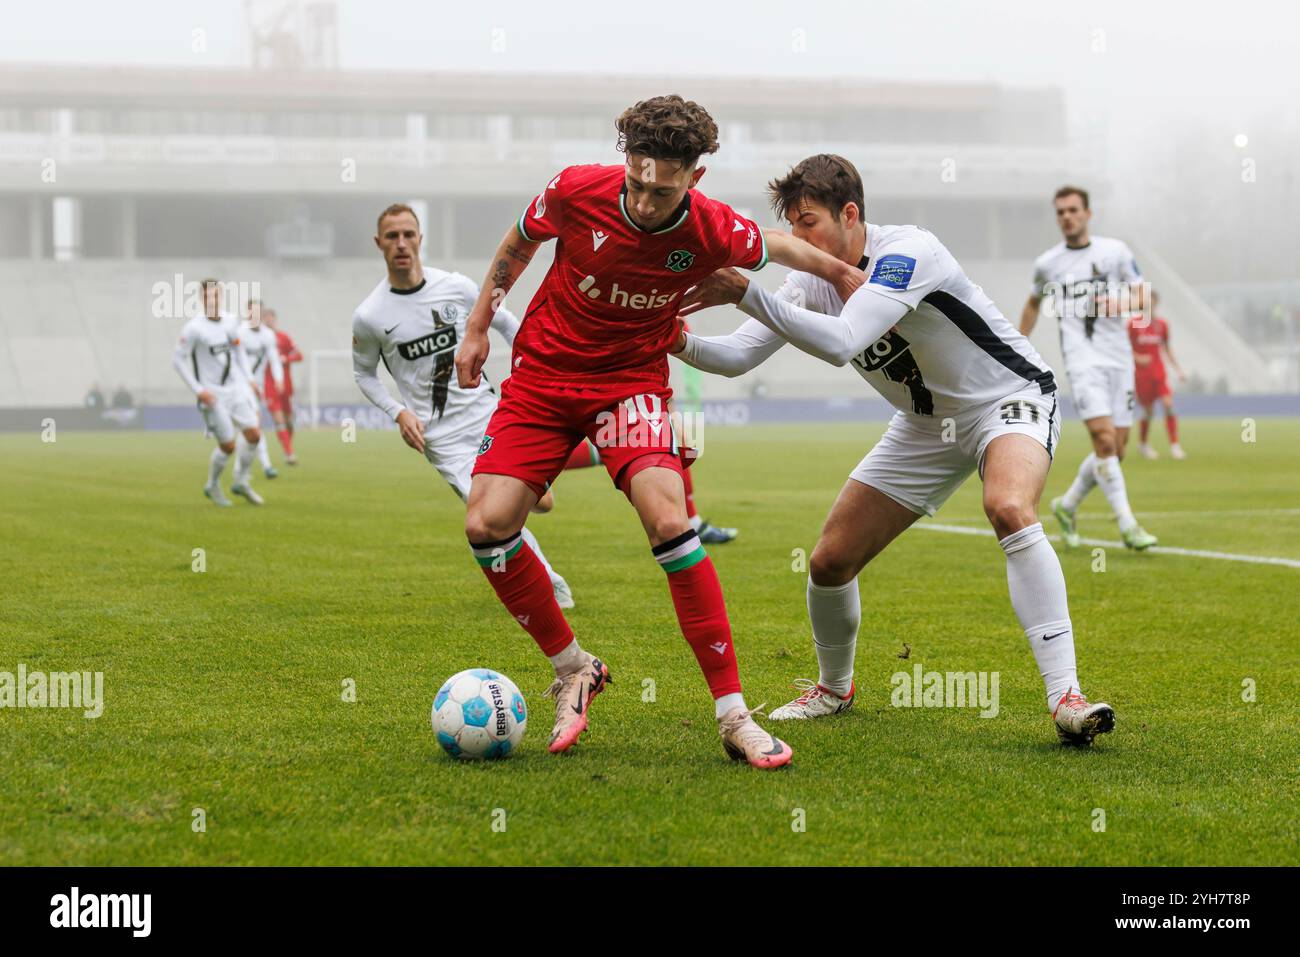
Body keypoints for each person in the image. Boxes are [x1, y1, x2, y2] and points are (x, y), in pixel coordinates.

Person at [455, 96, 865, 767]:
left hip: (630, 384)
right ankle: (572, 668)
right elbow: (518, 243)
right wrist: (477, 328)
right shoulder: (576, 188)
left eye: (663, 190)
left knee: (669, 518)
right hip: (540, 377)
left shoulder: (714, 227)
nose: (645, 201)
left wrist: (847, 274)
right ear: (625, 164)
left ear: (693, 180)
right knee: (487, 525)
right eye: (636, 184)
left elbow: (782, 247)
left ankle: (734, 716)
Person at [672, 154, 1114, 746]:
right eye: (793, 227)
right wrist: (664, 331)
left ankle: (1066, 697)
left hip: (1008, 398)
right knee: (829, 562)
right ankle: (834, 689)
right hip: (925, 424)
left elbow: (844, 341)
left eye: (810, 223)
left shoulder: (909, 252)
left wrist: (746, 292)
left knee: (1008, 506)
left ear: (850, 214)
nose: (801, 240)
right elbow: (733, 358)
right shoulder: (807, 282)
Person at [352, 203, 574, 609]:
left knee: (541, 503)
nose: (401, 243)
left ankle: (604, 448)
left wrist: (534, 371)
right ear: (378, 243)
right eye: (391, 236)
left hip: (491, 415)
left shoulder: (456, 286)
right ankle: (551, 585)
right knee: (491, 516)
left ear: (420, 238)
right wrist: (398, 412)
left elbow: (506, 324)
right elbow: (364, 375)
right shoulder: (370, 316)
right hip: (441, 437)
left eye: (407, 234)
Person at [1021, 186, 1157, 551]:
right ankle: (1128, 525)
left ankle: (1066, 506)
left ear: (1087, 214)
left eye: (1073, 210)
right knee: (1103, 440)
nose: (1067, 217)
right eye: (1061, 212)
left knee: (1117, 449)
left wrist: (1120, 302)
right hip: (1082, 362)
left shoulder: (1115, 252)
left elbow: (1144, 297)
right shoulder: (1048, 264)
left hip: (1119, 360)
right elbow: (1034, 303)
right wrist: (1017, 344)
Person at [172, 279, 265, 506]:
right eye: (207, 296)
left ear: (220, 296)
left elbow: (238, 348)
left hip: (235, 390)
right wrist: (199, 390)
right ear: (201, 299)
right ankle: (212, 485)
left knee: (254, 435)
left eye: (215, 295)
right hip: (213, 397)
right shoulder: (194, 328)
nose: (211, 300)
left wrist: (250, 380)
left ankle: (241, 481)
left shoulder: (230, 321)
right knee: (228, 446)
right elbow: (178, 360)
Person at [1129, 291, 1186, 460]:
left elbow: (1167, 348)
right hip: (1141, 375)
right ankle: (1143, 444)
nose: (1150, 306)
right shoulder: (1134, 324)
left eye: (1153, 303)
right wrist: (1138, 358)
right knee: (1148, 412)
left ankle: (1175, 446)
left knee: (1168, 404)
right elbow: (1124, 347)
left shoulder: (1162, 324)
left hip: (1159, 373)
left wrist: (1178, 369)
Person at [238, 300, 285, 479]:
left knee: (248, 428)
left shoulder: (267, 335)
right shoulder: (239, 332)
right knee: (253, 425)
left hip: (258, 387)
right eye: (251, 312)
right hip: (240, 385)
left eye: (258, 312)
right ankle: (266, 466)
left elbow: (273, 359)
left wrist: (279, 379)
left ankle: (242, 472)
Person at [262, 307, 302, 464]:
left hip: (286, 385)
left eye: (271, 318)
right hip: (269, 385)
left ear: (275, 319)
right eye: (266, 318)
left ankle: (287, 448)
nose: (268, 320)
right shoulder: (260, 338)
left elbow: (299, 355)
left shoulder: (283, 337)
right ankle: (289, 453)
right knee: (279, 420)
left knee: (288, 422)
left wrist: (285, 359)